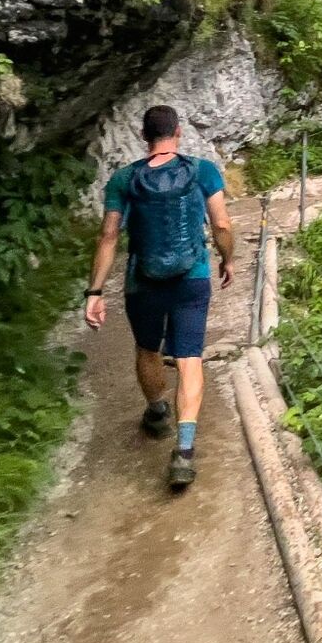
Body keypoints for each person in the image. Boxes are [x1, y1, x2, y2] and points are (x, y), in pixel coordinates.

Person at [84, 104, 234, 489]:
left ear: (142, 136)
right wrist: (227, 259)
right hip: (193, 277)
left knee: (148, 349)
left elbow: (109, 237)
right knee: (189, 358)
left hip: (142, 282)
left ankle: (156, 412)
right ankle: (184, 452)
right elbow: (221, 223)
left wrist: (95, 292)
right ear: (179, 132)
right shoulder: (202, 170)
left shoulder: (123, 180)